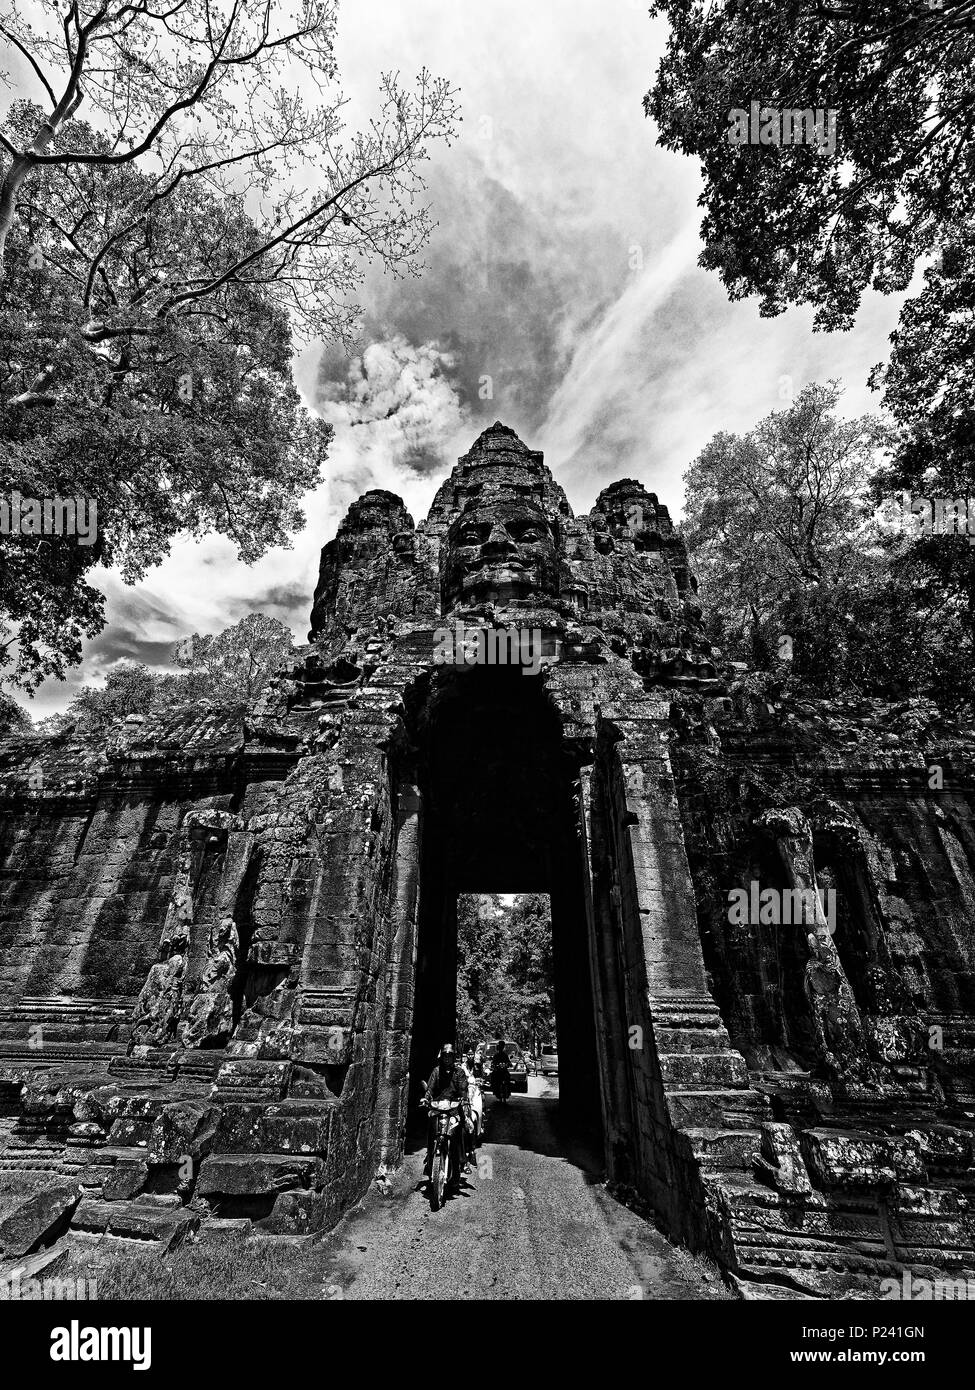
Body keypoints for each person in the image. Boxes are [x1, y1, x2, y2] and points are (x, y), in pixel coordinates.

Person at [421, 1043, 468, 1186]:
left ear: (453, 1057)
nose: (447, 1059)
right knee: (431, 1129)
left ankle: (460, 1164)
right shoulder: (436, 1071)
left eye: (450, 1056)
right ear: (442, 1057)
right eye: (445, 1056)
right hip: (438, 1107)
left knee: (457, 1134)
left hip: (454, 1108)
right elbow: (430, 1088)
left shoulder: (459, 1072)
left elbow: (463, 1089)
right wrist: (426, 1097)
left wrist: (463, 1099)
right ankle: (429, 1162)